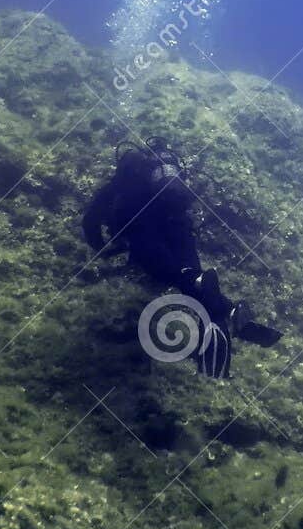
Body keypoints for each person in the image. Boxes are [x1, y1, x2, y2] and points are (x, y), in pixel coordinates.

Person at [83, 140, 281, 379]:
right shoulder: (169, 178)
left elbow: (90, 219)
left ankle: (204, 292)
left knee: (174, 275)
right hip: (178, 228)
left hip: (143, 232)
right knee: (192, 277)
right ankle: (231, 312)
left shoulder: (122, 182)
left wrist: (100, 246)